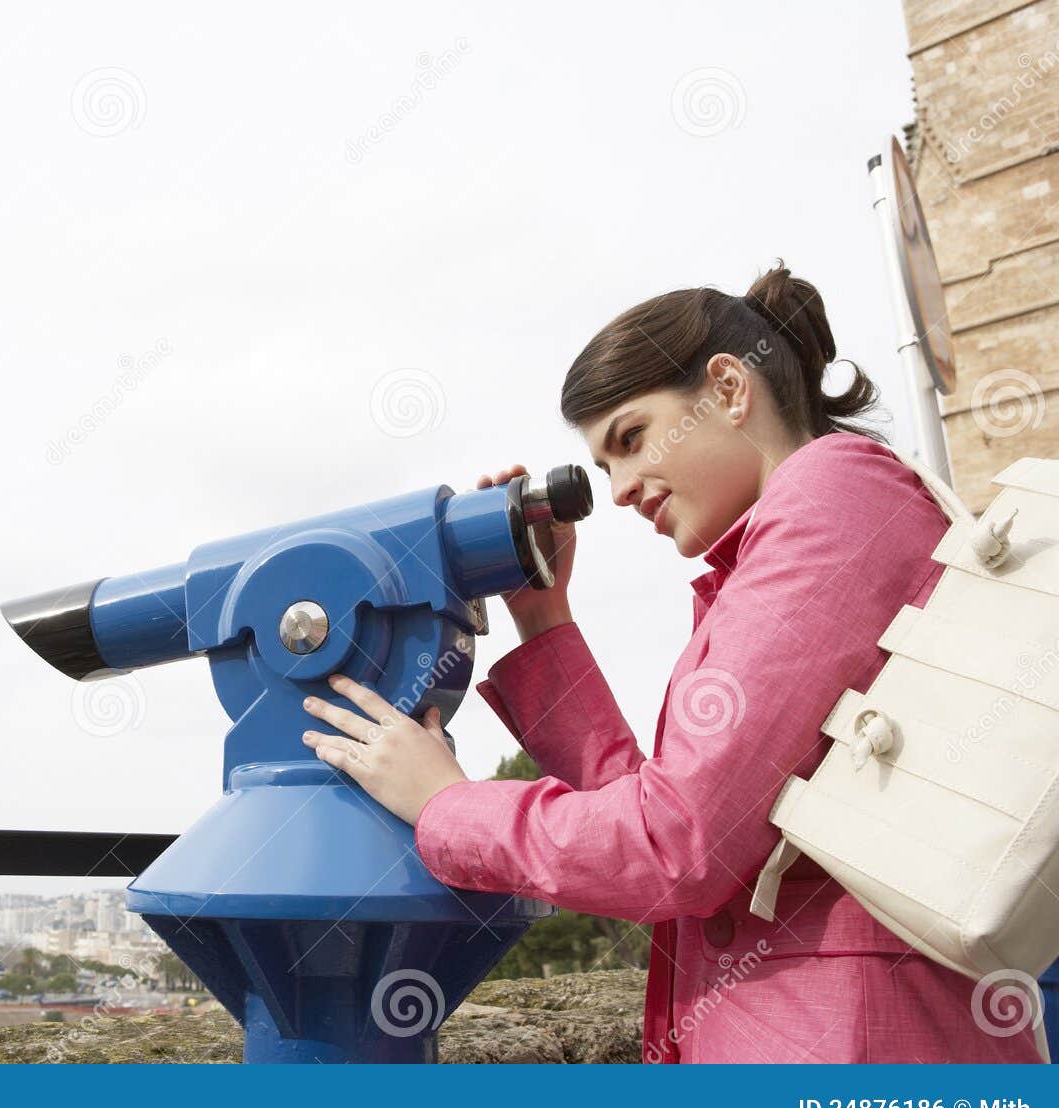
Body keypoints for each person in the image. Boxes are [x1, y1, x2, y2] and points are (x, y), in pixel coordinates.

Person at [299, 262, 1044, 1063]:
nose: (617, 490)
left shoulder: (831, 502)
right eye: (604, 464)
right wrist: (544, 615)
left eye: (630, 439)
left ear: (727, 389)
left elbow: (677, 846)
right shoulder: (795, 532)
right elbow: (668, 811)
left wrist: (448, 804)